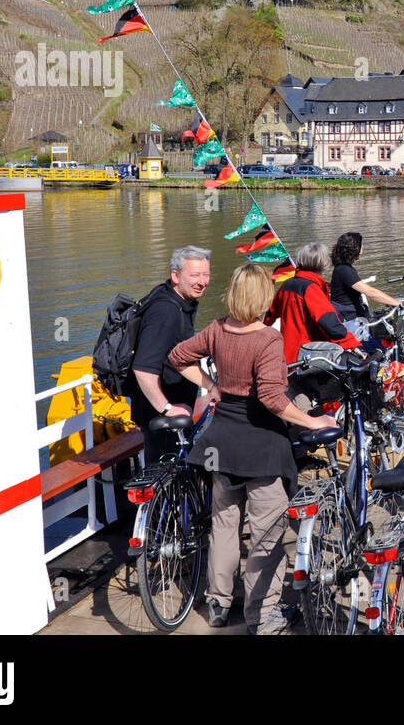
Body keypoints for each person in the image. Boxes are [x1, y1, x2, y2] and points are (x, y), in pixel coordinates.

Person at [169, 263, 338, 635]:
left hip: (220, 444)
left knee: (225, 527)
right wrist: (312, 421)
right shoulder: (267, 340)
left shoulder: (216, 329)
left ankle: (218, 601)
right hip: (261, 446)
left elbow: (177, 357)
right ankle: (262, 615)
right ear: (263, 298)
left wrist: (212, 385)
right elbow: (273, 399)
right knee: (267, 533)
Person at [131, 245, 211, 461]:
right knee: (164, 477)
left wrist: (212, 387)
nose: (202, 282)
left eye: (206, 275)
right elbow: (142, 369)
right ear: (175, 276)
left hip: (176, 406)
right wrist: (167, 409)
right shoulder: (166, 311)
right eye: (194, 275)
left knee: (176, 475)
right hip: (163, 416)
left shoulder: (175, 298)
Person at [265, 242, 362, 367]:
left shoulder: (287, 284)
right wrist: (354, 344)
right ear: (323, 263)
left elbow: (268, 316)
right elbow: (329, 323)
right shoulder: (311, 288)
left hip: (286, 355)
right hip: (307, 355)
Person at [329, 232, 401, 343]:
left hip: (354, 319)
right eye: (362, 245)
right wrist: (398, 304)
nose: (363, 247)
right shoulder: (344, 270)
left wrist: (389, 301)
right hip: (350, 323)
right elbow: (370, 292)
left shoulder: (343, 268)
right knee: (379, 350)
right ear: (355, 248)